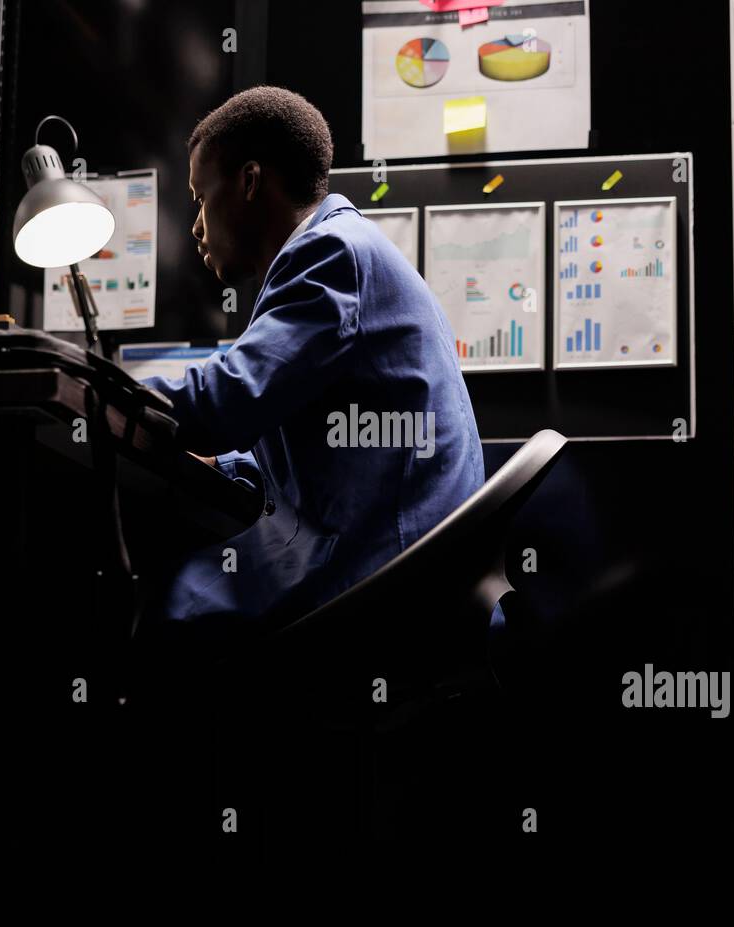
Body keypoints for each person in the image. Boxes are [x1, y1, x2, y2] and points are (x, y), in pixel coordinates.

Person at [141, 86, 486, 634]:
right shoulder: (345, 248)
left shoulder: (329, 253)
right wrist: (227, 465)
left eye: (201, 198)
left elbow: (228, 403)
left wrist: (107, 388)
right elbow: (318, 443)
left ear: (250, 183)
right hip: (410, 568)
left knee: (151, 608)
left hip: (380, 579)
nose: (196, 226)